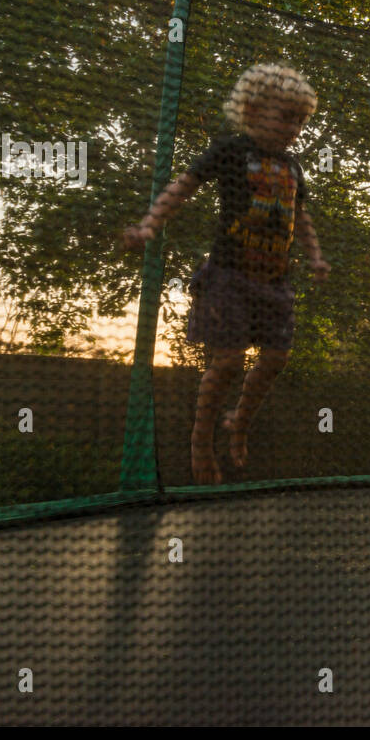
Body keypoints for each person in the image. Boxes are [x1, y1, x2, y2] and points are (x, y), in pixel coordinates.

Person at [123, 63, 331, 483]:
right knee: (230, 359)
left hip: (274, 283)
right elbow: (184, 185)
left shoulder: (293, 166)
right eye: (286, 116)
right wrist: (149, 225)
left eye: (301, 121)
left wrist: (315, 256)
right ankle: (201, 438)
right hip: (229, 278)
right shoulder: (231, 151)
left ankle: (239, 419)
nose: (295, 128)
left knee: (276, 357)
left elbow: (301, 216)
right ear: (253, 111)